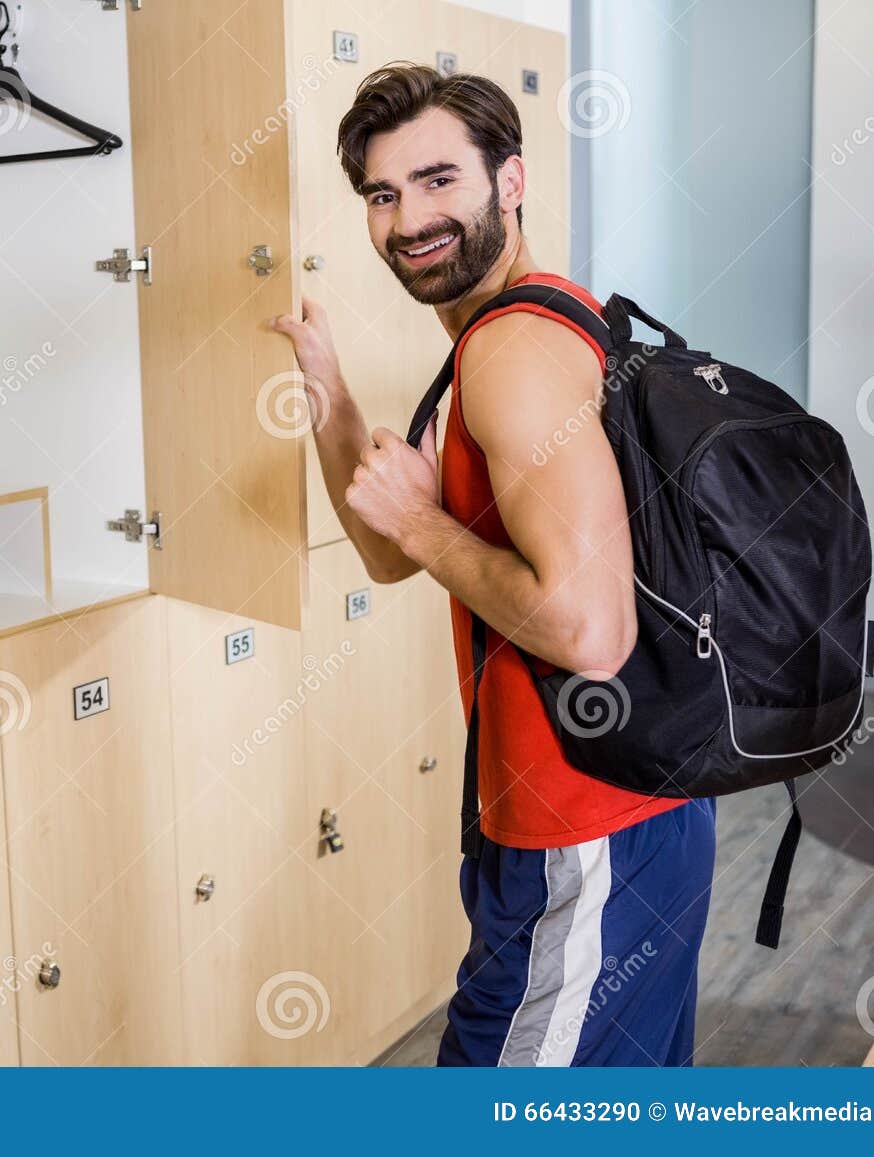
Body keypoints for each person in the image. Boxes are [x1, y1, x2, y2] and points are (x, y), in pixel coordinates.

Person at [271, 63, 715, 1067]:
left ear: (508, 181)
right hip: (605, 811)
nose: (407, 218)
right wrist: (329, 392)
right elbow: (390, 555)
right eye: (382, 195)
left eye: (438, 180)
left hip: (586, 822)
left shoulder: (509, 356)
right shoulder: (503, 330)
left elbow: (587, 630)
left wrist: (428, 530)